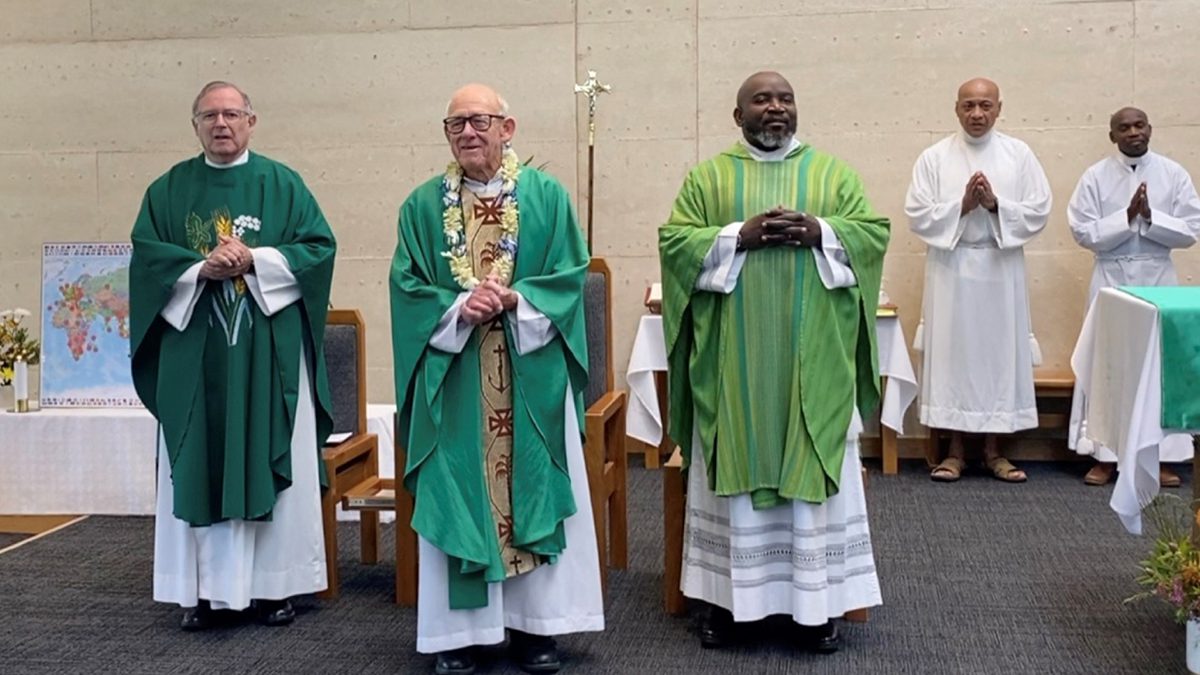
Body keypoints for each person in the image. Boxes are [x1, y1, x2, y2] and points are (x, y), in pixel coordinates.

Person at [659, 71, 887, 653]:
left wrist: (821, 231)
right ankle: (728, 607)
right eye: (761, 100)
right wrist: (738, 236)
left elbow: (871, 235)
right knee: (730, 465)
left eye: (785, 99)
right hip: (734, 369)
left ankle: (817, 608)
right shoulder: (708, 178)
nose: (776, 108)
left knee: (813, 464)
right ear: (738, 116)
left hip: (815, 366)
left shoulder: (833, 175)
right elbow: (676, 243)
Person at [389, 83, 603, 675]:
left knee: (530, 489)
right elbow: (406, 290)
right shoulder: (421, 207)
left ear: (508, 129)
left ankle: (538, 631)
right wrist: (457, 309)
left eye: (480, 121)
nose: (468, 133)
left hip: (530, 375)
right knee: (462, 491)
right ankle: (462, 634)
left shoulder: (547, 198)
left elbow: (568, 277)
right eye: (455, 123)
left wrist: (516, 299)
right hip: (457, 379)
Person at [129, 81, 337, 630]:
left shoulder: (283, 184)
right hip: (195, 357)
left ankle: (276, 588)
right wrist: (201, 269)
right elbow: (149, 260)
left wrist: (256, 260)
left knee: (269, 448)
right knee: (198, 454)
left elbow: (318, 250)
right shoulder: (167, 190)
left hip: (267, 354)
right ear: (194, 125)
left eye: (232, 114)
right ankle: (197, 592)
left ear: (252, 120)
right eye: (209, 116)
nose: (221, 124)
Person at [905, 77, 1052, 483]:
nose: (977, 113)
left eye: (985, 105)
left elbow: (1039, 207)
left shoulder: (1019, 154)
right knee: (953, 359)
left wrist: (996, 205)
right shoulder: (934, 157)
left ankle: (994, 453)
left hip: (1000, 268)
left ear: (999, 108)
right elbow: (917, 212)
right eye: (969, 105)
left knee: (997, 360)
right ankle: (953, 452)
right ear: (956, 109)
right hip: (952, 268)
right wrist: (962, 206)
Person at [1067, 106, 1200, 487]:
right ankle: (1105, 455)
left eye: (1139, 125)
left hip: (1158, 274)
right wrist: (1125, 217)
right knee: (1111, 364)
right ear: (1112, 136)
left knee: (1158, 367)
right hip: (1111, 277)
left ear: (1150, 129)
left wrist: (1152, 217)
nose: (1133, 132)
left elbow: (1192, 228)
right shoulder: (1095, 176)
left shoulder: (1173, 173)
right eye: (1123, 128)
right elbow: (1081, 230)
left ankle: (1158, 457)